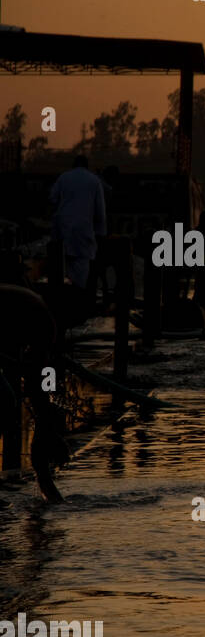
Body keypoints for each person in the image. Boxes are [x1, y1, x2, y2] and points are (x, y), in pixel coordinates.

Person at [0, 284, 69, 503]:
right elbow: (38, 384)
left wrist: (48, 429)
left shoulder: (36, 317)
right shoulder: (43, 323)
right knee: (4, 401)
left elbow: (39, 382)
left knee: (6, 400)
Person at [48, 155, 107, 290]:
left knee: (64, 267)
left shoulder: (63, 178)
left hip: (63, 229)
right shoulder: (94, 180)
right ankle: (78, 298)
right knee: (81, 270)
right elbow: (100, 211)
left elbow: (52, 198)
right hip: (84, 231)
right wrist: (101, 233)